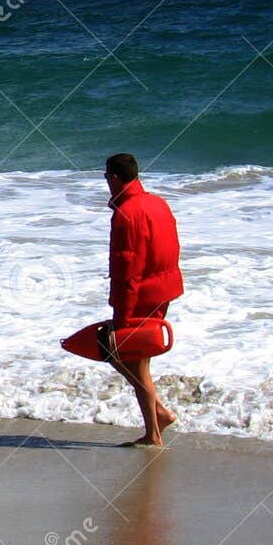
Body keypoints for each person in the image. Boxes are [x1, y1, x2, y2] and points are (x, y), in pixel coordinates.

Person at [100, 153, 183, 446]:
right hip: (164, 289)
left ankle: (154, 431)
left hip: (142, 295)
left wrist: (123, 311)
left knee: (129, 358)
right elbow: (173, 247)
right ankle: (157, 415)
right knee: (134, 359)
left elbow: (128, 268)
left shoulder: (126, 213)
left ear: (113, 178)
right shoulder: (158, 203)